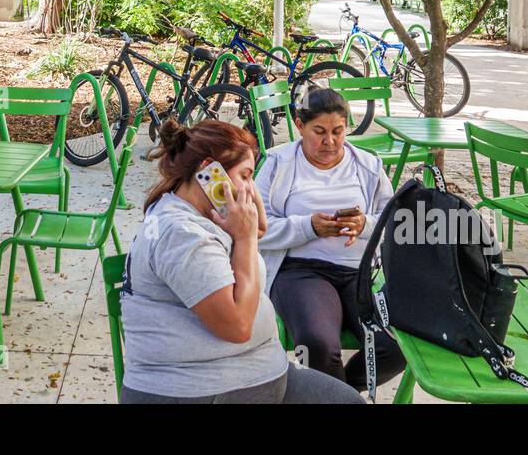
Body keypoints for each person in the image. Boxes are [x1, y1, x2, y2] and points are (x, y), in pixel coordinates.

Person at [119, 119, 364, 404]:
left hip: (251, 376)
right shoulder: (181, 233)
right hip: (197, 389)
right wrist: (245, 240)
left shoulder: (205, 212)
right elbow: (236, 327)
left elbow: (260, 227)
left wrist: (243, 199)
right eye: (246, 176)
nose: (250, 188)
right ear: (208, 171)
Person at [254, 86, 406, 392]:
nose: (330, 141)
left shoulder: (368, 165)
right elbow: (255, 229)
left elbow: (394, 223)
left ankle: (339, 394)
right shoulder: (278, 163)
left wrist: (364, 224)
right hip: (300, 271)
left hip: (358, 273)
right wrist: (308, 227)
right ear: (299, 125)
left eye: (338, 131)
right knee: (317, 344)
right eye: (319, 131)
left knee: (399, 345)